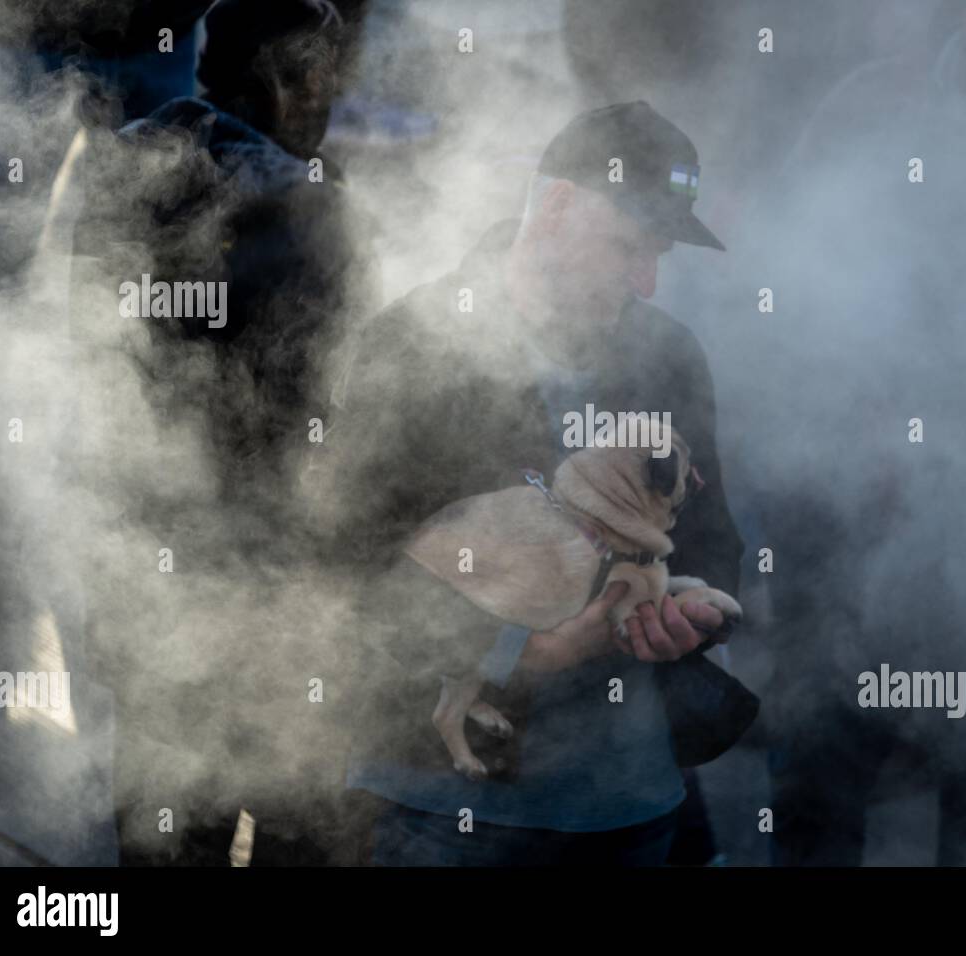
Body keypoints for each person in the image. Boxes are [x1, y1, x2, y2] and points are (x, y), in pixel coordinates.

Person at [315, 101, 746, 865]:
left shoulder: (672, 356)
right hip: (446, 807)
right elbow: (347, 564)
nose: (645, 282)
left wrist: (693, 611)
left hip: (626, 803)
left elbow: (714, 537)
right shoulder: (412, 342)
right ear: (557, 207)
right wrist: (516, 650)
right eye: (626, 248)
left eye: (658, 257)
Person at [70, 0, 373, 865]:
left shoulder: (120, 176)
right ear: (293, 77)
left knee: (165, 828)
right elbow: (342, 419)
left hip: (149, 576)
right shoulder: (313, 211)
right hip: (277, 587)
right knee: (295, 830)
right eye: (325, 77)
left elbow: (96, 376)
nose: (333, 100)